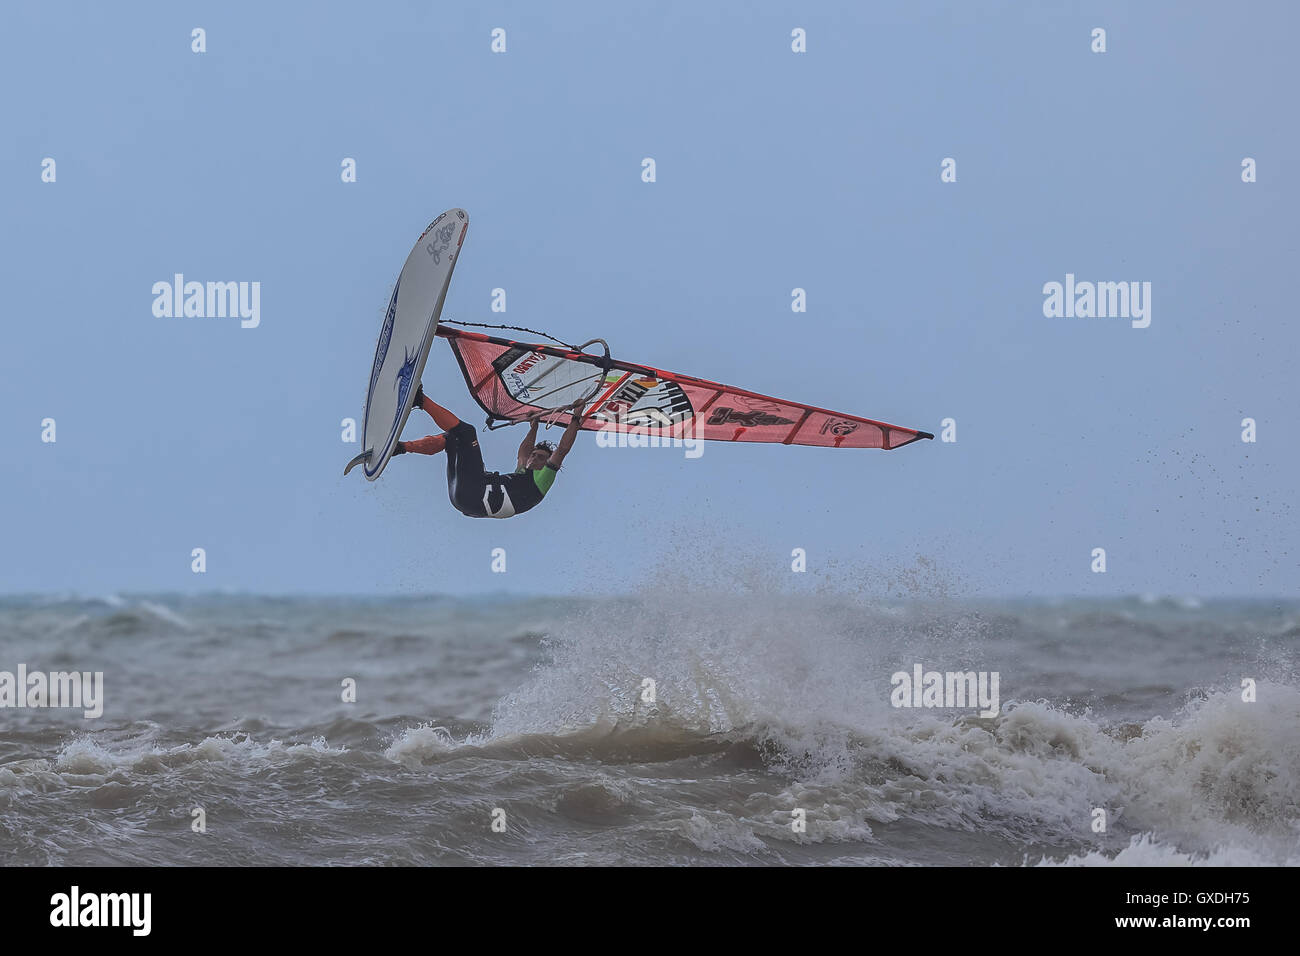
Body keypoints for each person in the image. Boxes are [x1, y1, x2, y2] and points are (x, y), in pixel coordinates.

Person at [393, 384, 585, 518]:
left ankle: (420, 400)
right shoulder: (523, 475)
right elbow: (523, 453)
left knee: (467, 432)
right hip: (462, 497)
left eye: (540, 457)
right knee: (453, 439)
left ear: (547, 463)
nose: (533, 458)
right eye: (534, 454)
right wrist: (533, 427)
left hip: (473, 492)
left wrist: (576, 417)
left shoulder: (542, 480)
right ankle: (402, 448)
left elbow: (563, 449)